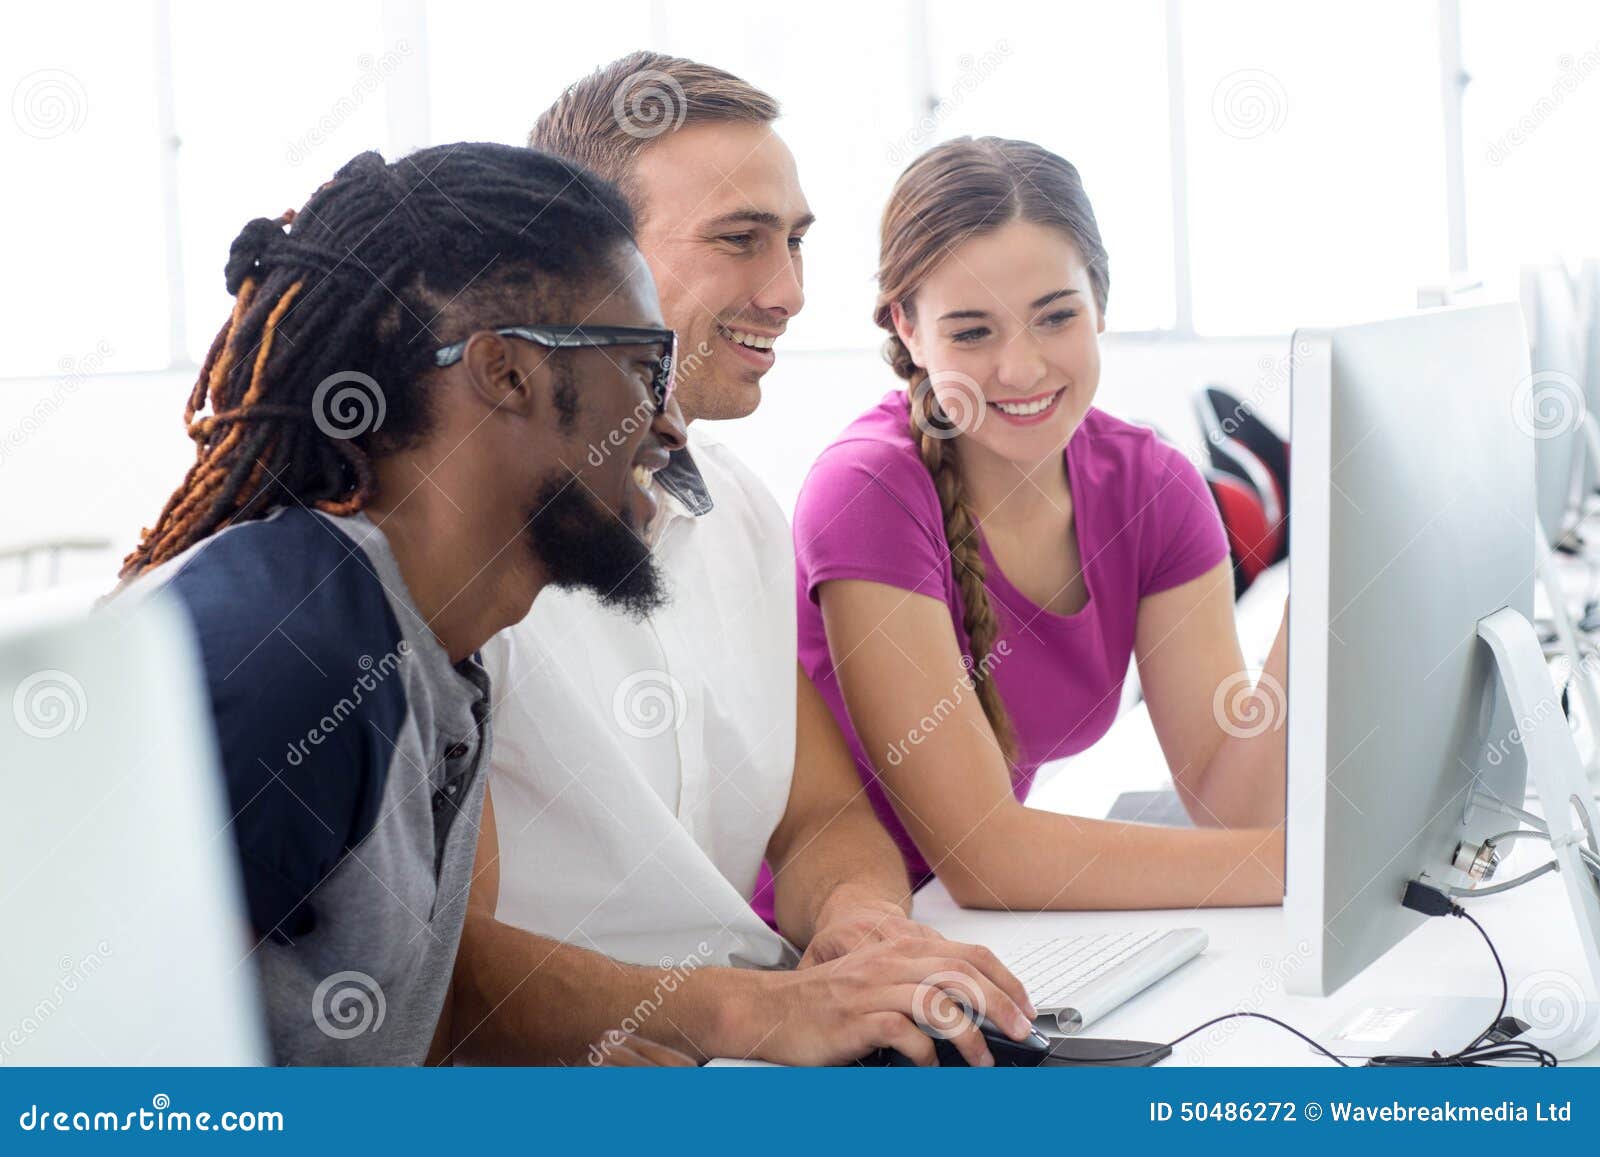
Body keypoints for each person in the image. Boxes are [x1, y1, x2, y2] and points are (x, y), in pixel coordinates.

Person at [453, 54, 1033, 1068]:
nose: (790, 290)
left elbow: (819, 817)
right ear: (585, 262)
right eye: (740, 242)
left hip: (746, 1051)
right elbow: (447, 968)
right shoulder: (458, 556)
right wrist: (744, 1014)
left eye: (798, 241)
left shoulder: (741, 513)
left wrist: (859, 921)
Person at [115, 142, 682, 1064]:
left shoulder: (424, 639)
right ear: (507, 373)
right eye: (646, 366)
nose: (668, 421)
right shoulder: (285, 664)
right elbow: (82, 1103)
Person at [792, 136, 1288, 912]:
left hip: (990, 934)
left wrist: (1325, 584)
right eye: (972, 331)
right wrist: (1308, 871)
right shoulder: (868, 492)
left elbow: (1236, 812)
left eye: (1055, 317)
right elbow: (988, 857)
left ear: (1100, 306)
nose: (1021, 370)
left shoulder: (1155, 487)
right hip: (833, 945)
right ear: (909, 329)